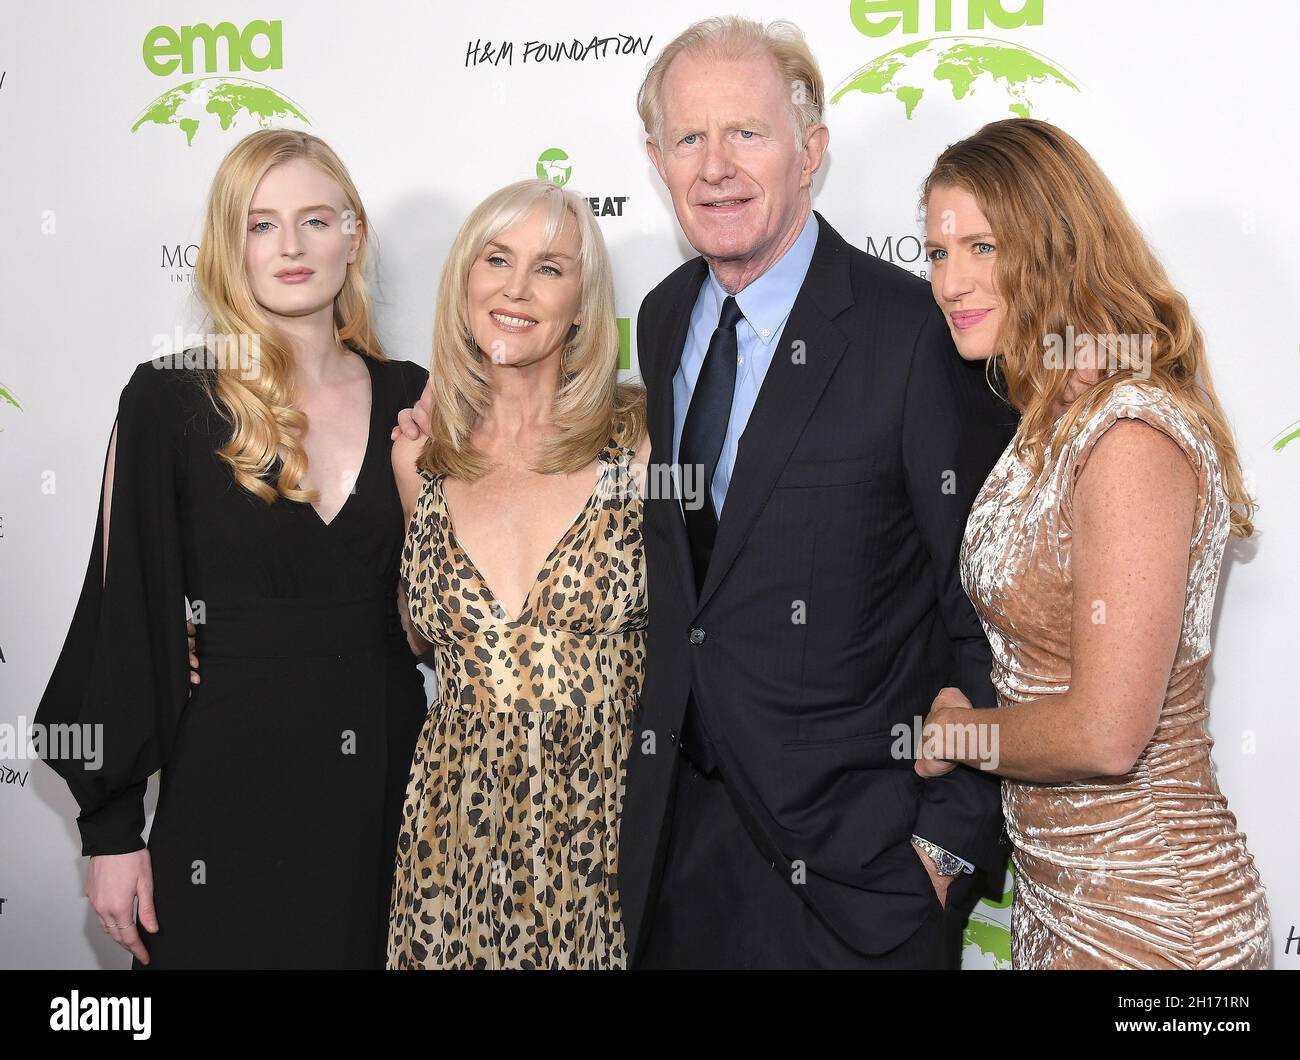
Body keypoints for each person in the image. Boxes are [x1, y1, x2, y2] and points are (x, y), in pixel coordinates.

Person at [615, 16, 1013, 968]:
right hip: (683, 857)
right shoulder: (666, 318)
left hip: (860, 875)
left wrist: (944, 850)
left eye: (746, 133)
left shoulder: (915, 335)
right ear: (655, 159)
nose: (716, 166)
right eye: (689, 138)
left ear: (812, 151)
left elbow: (989, 607)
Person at [35, 129, 429, 969]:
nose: (291, 246)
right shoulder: (167, 401)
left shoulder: (416, 399)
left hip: (389, 795)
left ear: (353, 234)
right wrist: (110, 832)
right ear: (227, 246)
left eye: (316, 219)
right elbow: (123, 609)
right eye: (261, 224)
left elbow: (448, 606)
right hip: (226, 794)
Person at [916, 117, 1272, 969]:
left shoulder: (1130, 435)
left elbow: (1110, 733)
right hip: (1056, 910)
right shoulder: (1052, 418)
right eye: (937, 252)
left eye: (982, 247)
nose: (952, 281)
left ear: (1054, 246)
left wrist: (960, 733)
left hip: (1155, 919)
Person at [387, 178, 650, 969]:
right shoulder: (418, 458)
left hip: (606, 825)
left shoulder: (639, 440)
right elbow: (417, 633)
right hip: (450, 835)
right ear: (465, 280)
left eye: (550, 267)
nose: (516, 288)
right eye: (496, 259)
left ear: (582, 302)